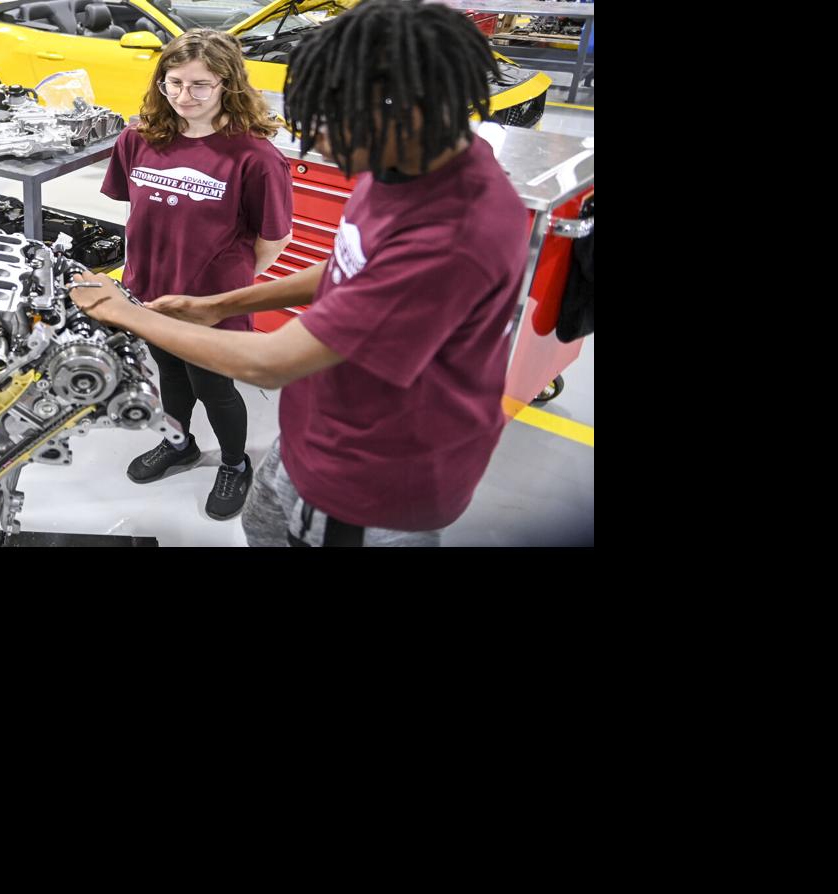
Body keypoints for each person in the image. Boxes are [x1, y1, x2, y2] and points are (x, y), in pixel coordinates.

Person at [69, 0, 530, 546]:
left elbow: (271, 364)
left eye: (333, 123)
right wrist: (222, 305)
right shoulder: (408, 166)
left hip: (374, 472)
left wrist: (125, 313)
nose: (321, 144)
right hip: (319, 424)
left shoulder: (454, 234)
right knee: (264, 527)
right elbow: (350, 265)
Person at [100, 28, 293, 520]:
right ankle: (180, 442)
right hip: (149, 290)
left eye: (200, 85)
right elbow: (138, 210)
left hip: (212, 301)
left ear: (227, 85)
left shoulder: (255, 156)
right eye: (174, 83)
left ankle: (233, 462)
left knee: (214, 387)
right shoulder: (138, 138)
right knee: (169, 372)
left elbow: (273, 239)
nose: (184, 96)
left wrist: (228, 287)